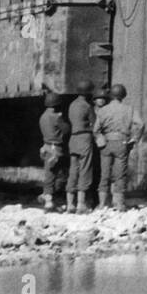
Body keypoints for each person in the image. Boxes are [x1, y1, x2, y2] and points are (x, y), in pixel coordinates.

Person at [95, 84, 144, 211]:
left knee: (104, 173)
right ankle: (119, 204)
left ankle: (102, 204)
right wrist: (134, 139)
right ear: (123, 95)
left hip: (106, 144)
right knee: (120, 174)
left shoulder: (103, 110)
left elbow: (96, 129)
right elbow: (140, 124)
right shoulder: (129, 109)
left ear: (111, 95)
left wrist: (101, 141)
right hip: (122, 143)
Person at [66, 79, 97, 214]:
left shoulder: (72, 105)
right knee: (85, 169)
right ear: (89, 92)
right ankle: (81, 204)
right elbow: (94, 123)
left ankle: (69, 204)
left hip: (73, 139)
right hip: (84, 138)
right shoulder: (87, 106)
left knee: (73, 170)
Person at [36, 93, 70, 210]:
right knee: (55, 174)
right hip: (56, 149)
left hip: (46, 147)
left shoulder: (42, 117)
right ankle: (48, 199)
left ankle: (46, 195)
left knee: (49, 173)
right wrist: (62, 118)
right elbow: (66, 130)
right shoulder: (56, 117)